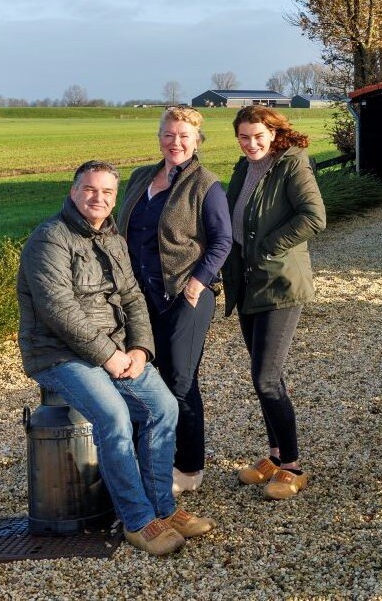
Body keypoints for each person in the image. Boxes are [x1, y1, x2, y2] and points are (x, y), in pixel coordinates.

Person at [16, 160, 214, 556]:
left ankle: (163, 508)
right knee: (115, 417)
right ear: (73, 191)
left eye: (107, 192)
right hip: (58, 354)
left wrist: (140, 349)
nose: (99, 198)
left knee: (163, 407)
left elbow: (133, 297)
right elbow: (59, 310)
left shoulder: (112, 238)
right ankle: (137, 520)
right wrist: (108, 356)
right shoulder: (49, 239)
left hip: (116, 349)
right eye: (90, 189)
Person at [116, 106, 232, 498]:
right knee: (139, 378)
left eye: (184, 136)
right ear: (159, 137)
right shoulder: (140, 178)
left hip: (186, 295)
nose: (175, 142)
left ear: (197, 140)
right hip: (139, 296)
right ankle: (147, 459)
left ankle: (189, 467)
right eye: (168, 134)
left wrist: (199, 283)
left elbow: (222, 240)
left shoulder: (206, 185)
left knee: (180, 381)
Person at [223, 106, 326, 500]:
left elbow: (313, 217)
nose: (251, 144)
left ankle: (292, 467)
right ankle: (275, 454)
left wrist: (265, 246)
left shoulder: (291, 164)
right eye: (244, 137)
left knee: (266, 379)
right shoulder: (243, 168)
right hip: (248, 284)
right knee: (264, 376)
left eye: (258, 136)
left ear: (273, 133)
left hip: (280, 282)